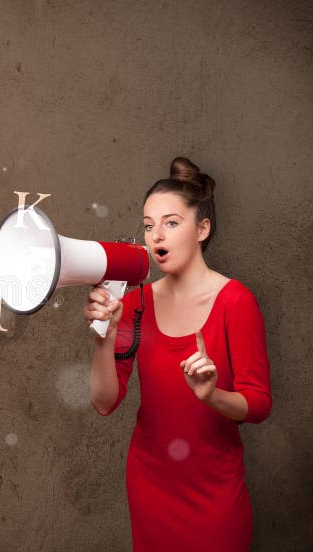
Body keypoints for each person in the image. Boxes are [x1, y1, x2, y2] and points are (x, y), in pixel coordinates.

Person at [84, 157, 272, 551]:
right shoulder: (133, 304)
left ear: (202, 228)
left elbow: (258, 404)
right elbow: (104, 402)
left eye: (171, 223)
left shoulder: (237, 302)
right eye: (149, 225)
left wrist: (212, 395)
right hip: (150, 485)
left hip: (215, 494)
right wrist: (105, 336)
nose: (156, 236)